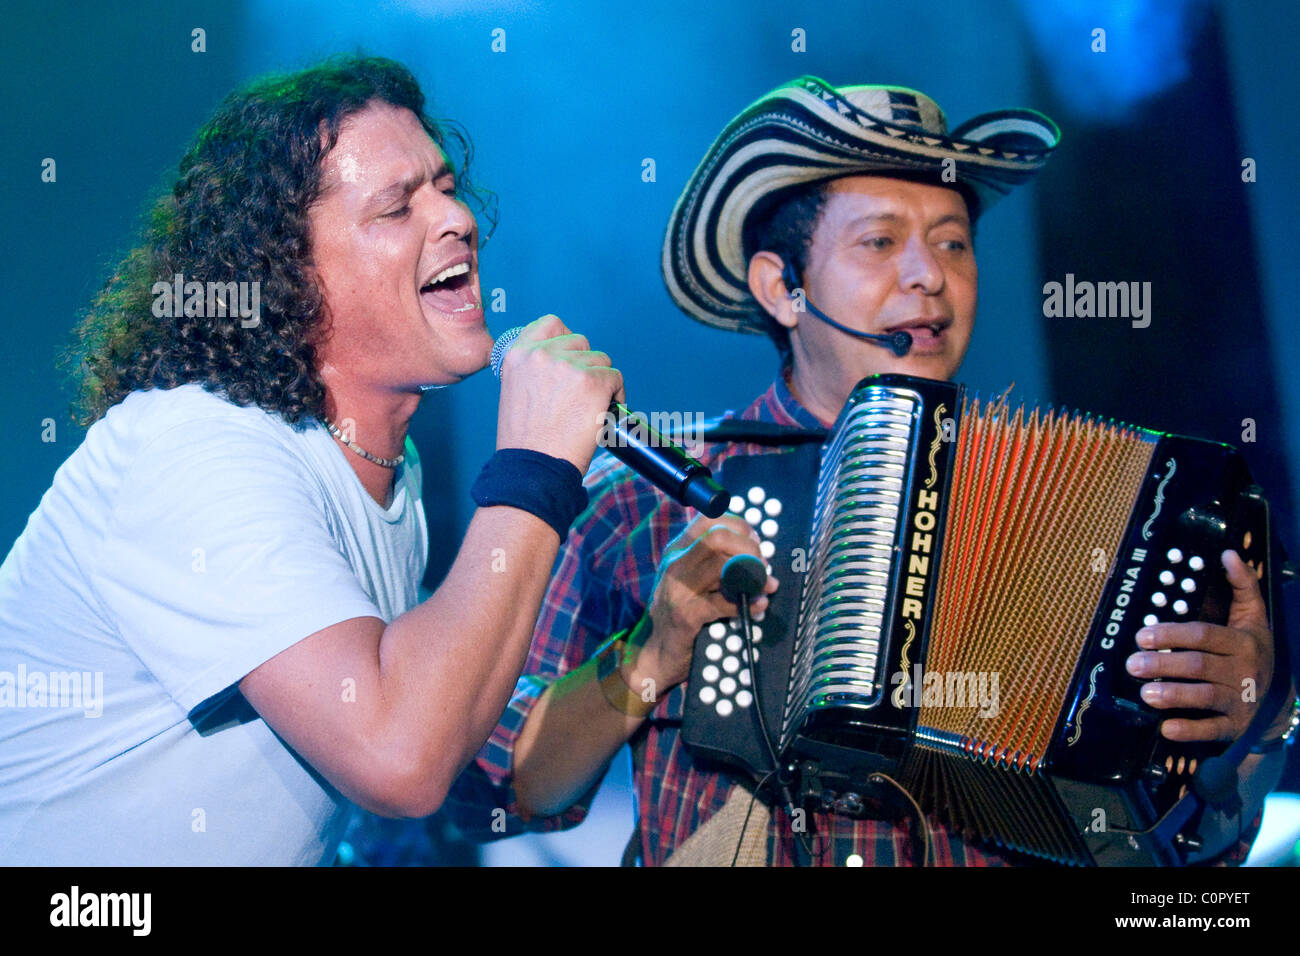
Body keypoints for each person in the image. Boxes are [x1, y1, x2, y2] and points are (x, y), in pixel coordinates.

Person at [447, 76, 1294, 866]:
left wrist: (1252, 723)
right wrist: (649, 655)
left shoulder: (1091, 506)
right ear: (782, 288)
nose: (931, 277)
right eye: (881, 241)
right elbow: (503, 790)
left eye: (953, 244)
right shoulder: (638, 500)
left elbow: (1184, 855)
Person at [0, 55, 622, 865]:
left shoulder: (382, 468)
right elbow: (399, 759)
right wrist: (535, 468)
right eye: (398, 206)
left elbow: (458, 731)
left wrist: (648, 654)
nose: (456, 218)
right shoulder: (198, 445)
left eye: (444, 184)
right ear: (292, 278)